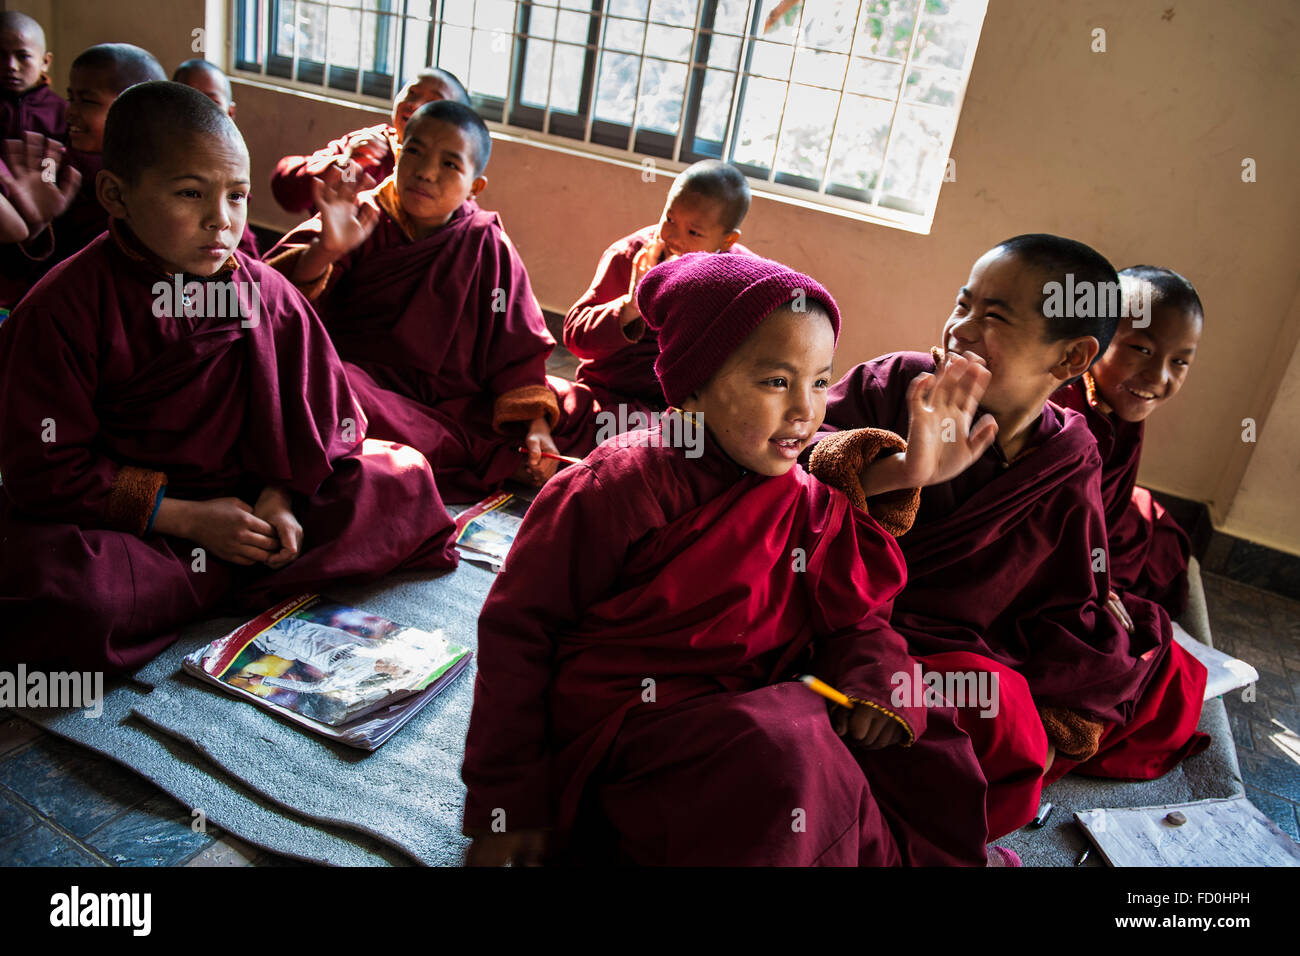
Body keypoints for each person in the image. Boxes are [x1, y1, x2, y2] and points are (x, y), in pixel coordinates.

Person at [462, 252, 1022, 866]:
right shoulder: (617, 487)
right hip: (636, 728)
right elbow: (519, 634)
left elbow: (855, 616)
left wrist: (874, 686)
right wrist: (510, 801)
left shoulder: (805, 497)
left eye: (819, 382)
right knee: (785, 751)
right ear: (694, 384)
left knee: (925, 728)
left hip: (760, 700)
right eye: (776, 382)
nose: (806, 411)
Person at [0, 81, 458, 673]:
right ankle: (231, 579)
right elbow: (44, 469)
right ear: (116, 194)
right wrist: (188, 518)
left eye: (237, 196)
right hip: (142, 529)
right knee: (68, 596)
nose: (220, 220)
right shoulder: (65, 307)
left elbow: (322, 414)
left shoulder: (264, 291)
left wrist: (280, 497)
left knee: (402, 481)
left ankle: (221, 577)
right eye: (190, 193)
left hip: (252, 512)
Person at [823, 234, 1209, 796]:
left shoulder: (1070, 455)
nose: (960, 328)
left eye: (994, 317)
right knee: (983, 713)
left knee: (1144, 668)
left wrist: (1087, 635)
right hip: (855, 610)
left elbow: (1062, 595)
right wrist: (903, 470)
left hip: (972, 640)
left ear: (1071, 358)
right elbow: (792, 476)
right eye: (963, 304)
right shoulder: (898, 383)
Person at [266, 99, 567, 501]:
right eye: (415, 152)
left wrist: (536, 425)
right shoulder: (361, 215)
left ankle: (482, 453)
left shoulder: (484, 241)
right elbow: (271, 300)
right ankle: (485, 458)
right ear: (397, 154)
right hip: (363, 386)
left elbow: (516, 342)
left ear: (474, 186)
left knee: (569, 407)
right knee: (330, 390)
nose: (425, 172)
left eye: (449, 164)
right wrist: (325, 251)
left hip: (451, 400)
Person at [554, 160, 753, 452]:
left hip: (689, 409)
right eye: (669, 219)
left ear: (727, 239)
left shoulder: (742, 275)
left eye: (693, 232)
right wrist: (632, 304)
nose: (673, 237)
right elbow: (576, 339)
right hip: (615, 395)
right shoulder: (631, 256)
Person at [1052, 265, 1202, 617]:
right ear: (1093, 339)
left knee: (1163, 543)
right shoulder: (1059, 409)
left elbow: (1109, 506)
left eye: (1179, 361)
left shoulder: (1119, 401)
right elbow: (1035, 523)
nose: (1158, 376)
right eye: (1142, 349)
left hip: (1091, 531)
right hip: (1041, 550)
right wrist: (1089, 583)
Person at [0, 42, 166, 309]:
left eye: (87, 101)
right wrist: (36, 232)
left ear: (138, 113)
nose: (70, 112)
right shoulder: (58, 167)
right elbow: (35, 271)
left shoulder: (155, 186)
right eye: (71, 98)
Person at [269, 67, 469, 215]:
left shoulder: (454, 168)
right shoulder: (369, 145)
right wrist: (345, 164)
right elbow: (287, 191)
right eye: (412, 93)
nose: (414, 104)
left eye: (431, 102)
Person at [173, 58, 260, 258]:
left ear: (231, 113)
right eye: (186, 103)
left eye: (211, 104)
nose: (198, 114)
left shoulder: (232, 165)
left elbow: (246, 257)